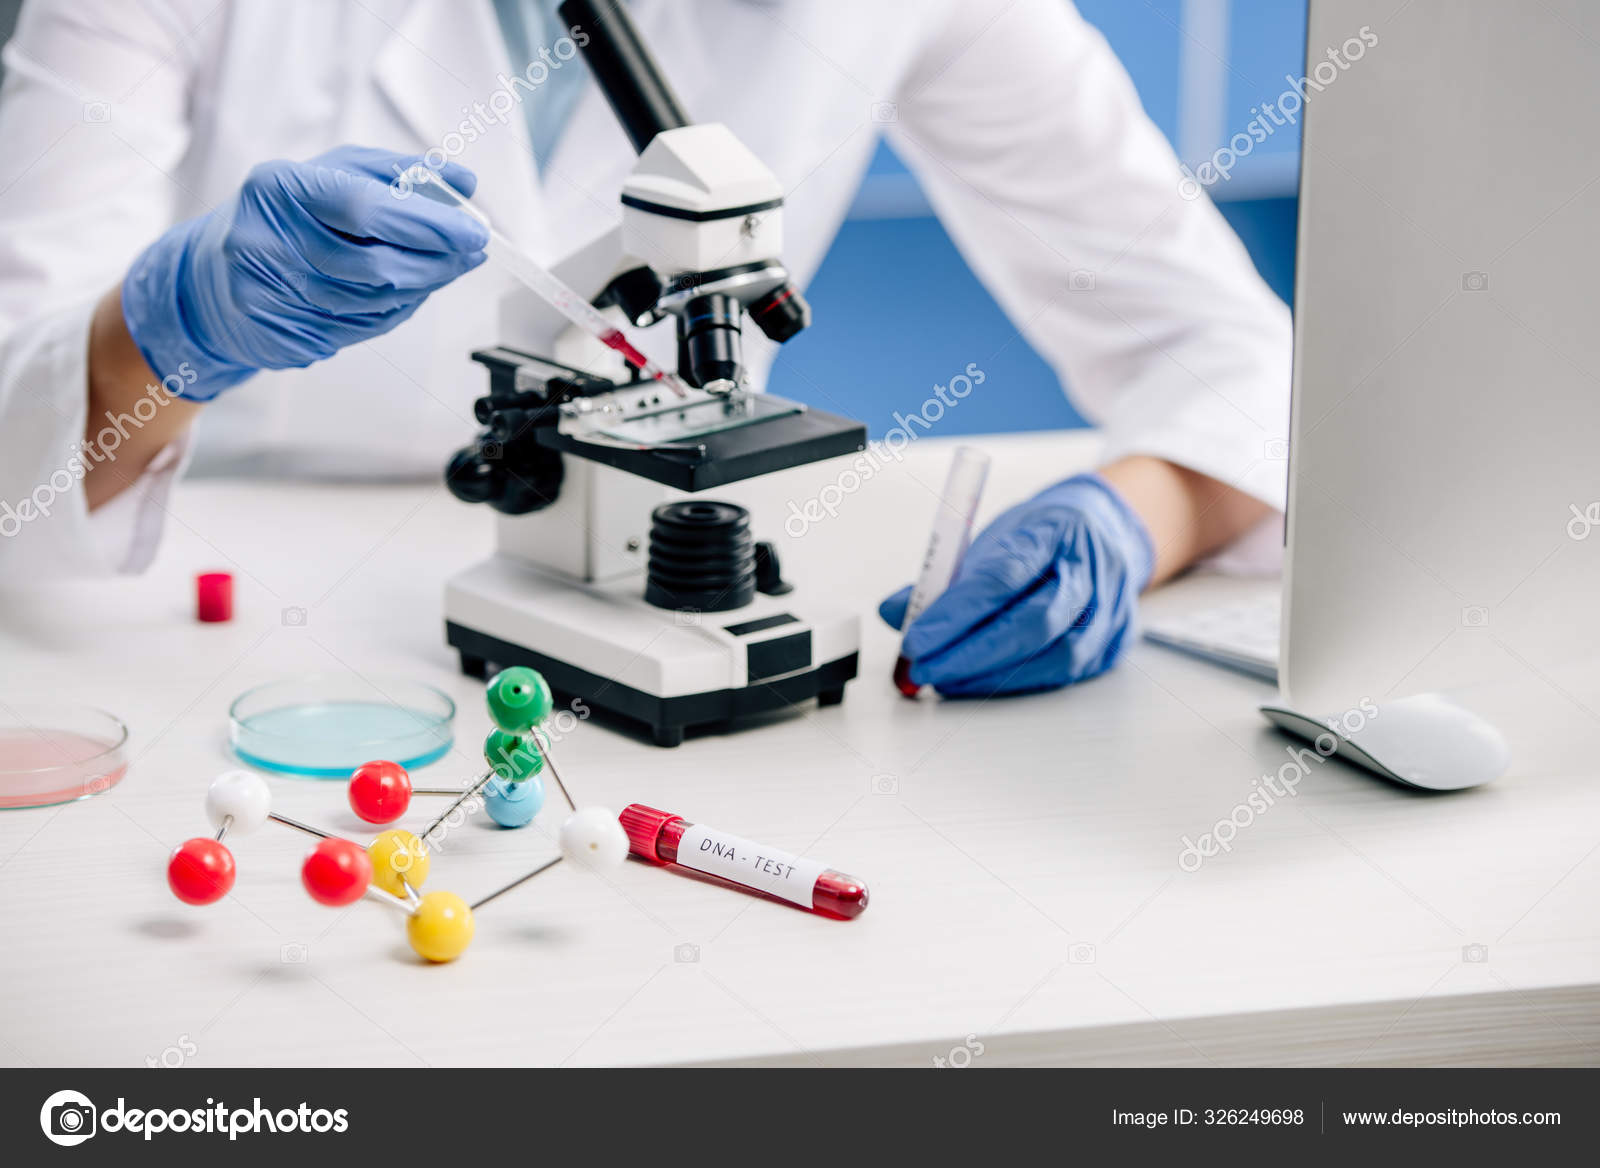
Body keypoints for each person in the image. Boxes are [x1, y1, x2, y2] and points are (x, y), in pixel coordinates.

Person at [0, 0, 1288, 697]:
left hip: (641, 533)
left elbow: (1231, 352)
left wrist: (1142, 517)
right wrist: (171, 333)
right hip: (205, 623)